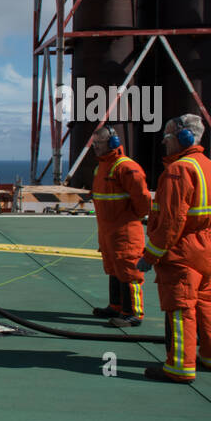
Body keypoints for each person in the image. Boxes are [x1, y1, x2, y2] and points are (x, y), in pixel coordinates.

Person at [137, 114, 211, 382]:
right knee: (206, 302)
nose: (165, 144)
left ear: (183, 138)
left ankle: (180, 366)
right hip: (206, 244)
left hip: (181, 249)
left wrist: (150, 256)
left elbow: (170, 222)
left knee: (180, 306)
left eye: (167, 138)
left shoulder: (179, 171)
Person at [90, 125, 151, 327]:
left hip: (125, 229)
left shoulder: (126, 168)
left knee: (128, 268)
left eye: (98, 144)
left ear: (112, 143)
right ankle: (115, 306)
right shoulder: (102, 167)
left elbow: (142, 201)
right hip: (108, 229)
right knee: (113, 267)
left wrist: (131, 217)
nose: (95, 148)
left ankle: (133, 313)